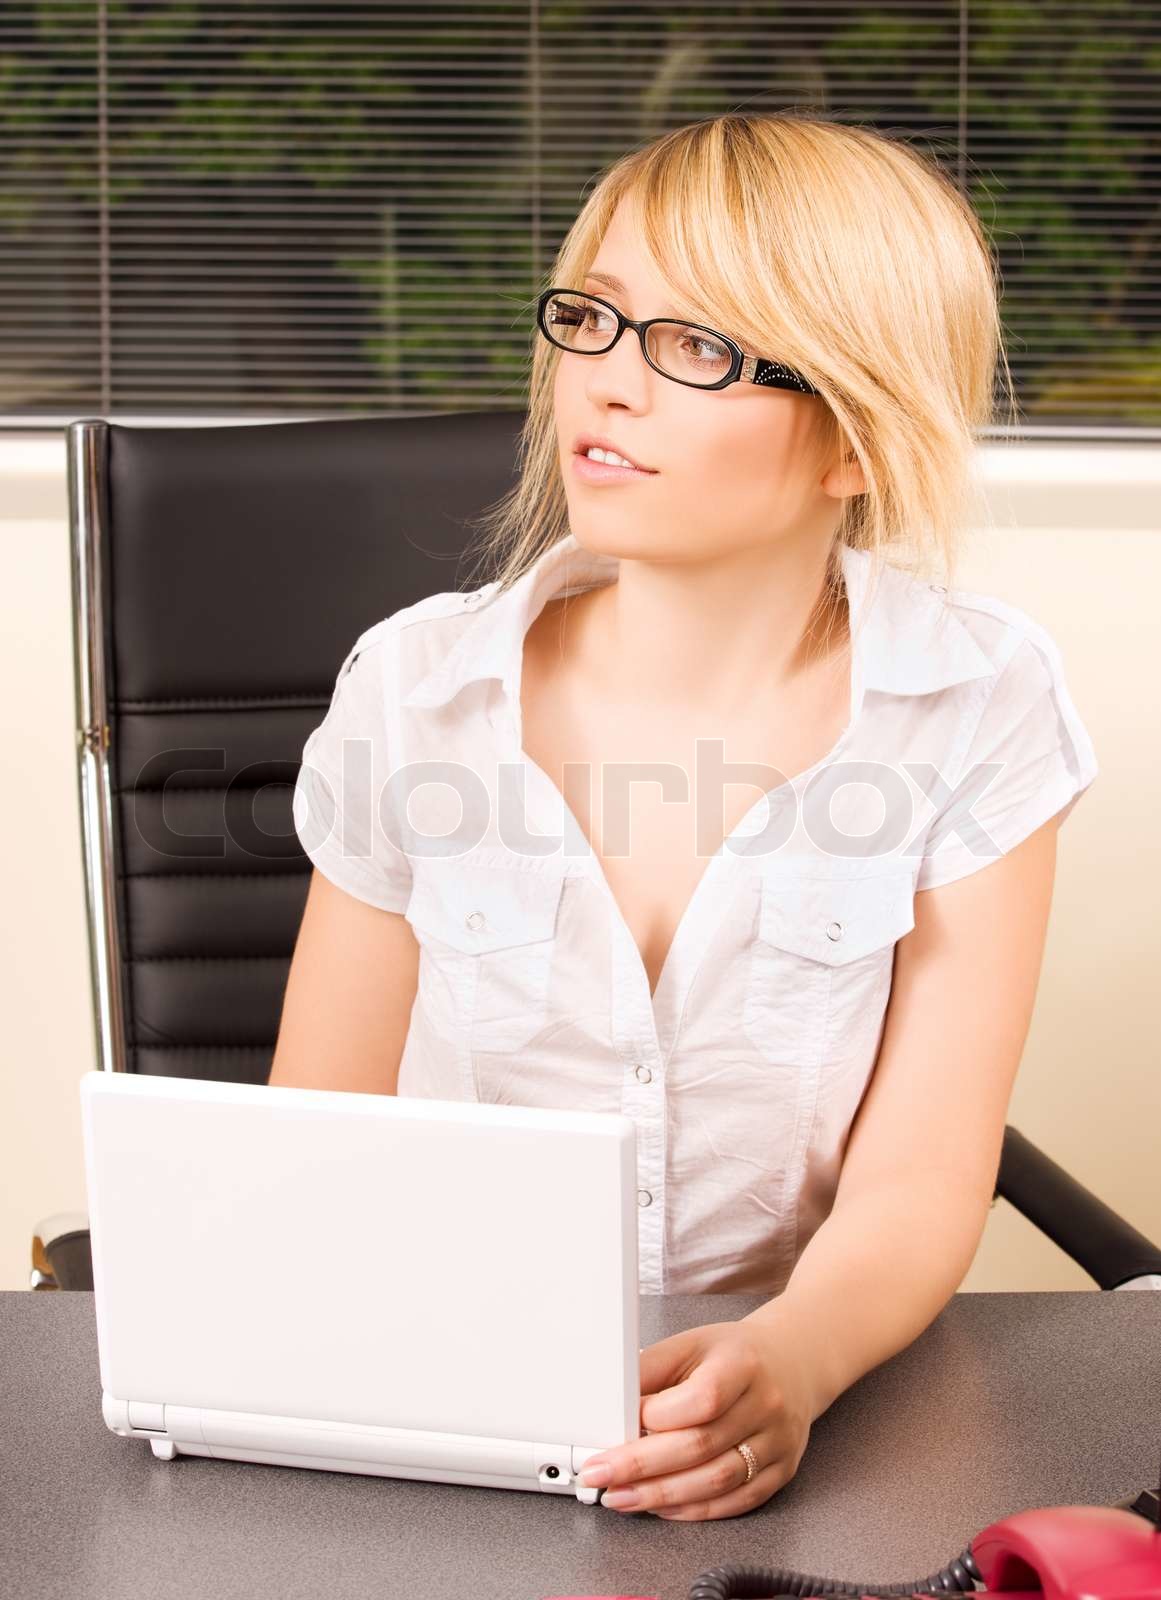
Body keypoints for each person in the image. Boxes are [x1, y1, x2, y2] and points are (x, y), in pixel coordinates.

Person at [270, 112, 1098, 1521]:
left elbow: (919, 1174)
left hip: (808, 1398)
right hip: (441, 1401)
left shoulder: (976, 701)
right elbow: (318, 1138)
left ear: (853, 439)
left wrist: (791, 1357)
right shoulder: (415, 689)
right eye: (592, 318)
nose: (602, 386)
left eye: (695, 347)